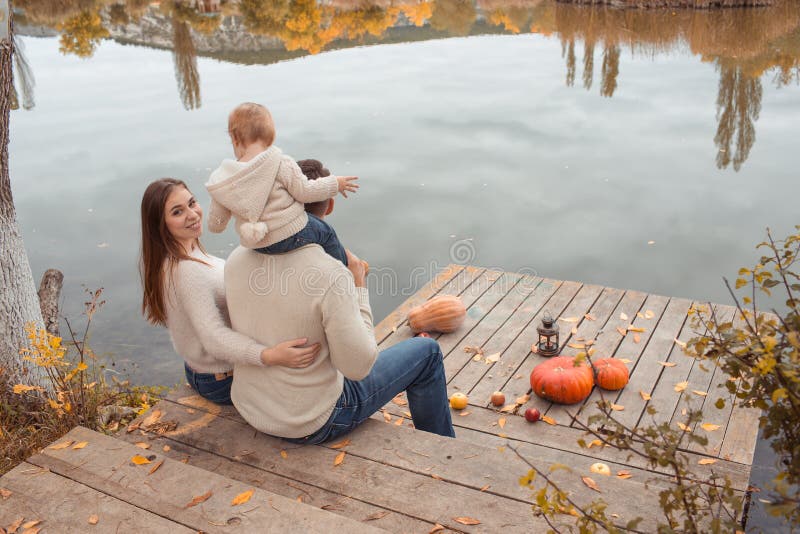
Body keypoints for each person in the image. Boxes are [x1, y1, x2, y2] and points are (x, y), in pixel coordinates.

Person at [224, 163, 455, 444]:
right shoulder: (330, 274)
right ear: (330, 205)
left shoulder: (237, 257)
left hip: (252, 407)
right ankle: (443, 451)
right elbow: (359, 368)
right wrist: (357, 283)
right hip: (311, 422)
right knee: (427, 352)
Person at [139, 178, 321, 405]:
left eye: (192, 203)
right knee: (316, 387)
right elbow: (213, 338)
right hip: (221, 379)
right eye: (177, 212)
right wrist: (270, 356)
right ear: (160, 224)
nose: (193, 214)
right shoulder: (187, 271)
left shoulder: (183, 257)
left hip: (207, 371)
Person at [205, 103, 358, 265]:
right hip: (291, 234)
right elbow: (305, 192)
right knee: (327, 233)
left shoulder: (223, 179)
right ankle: (345, 271)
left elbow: (216, 226)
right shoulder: (280, 162)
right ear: (271, 135)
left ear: (234, 139)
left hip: (257, 245)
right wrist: (335, 183)